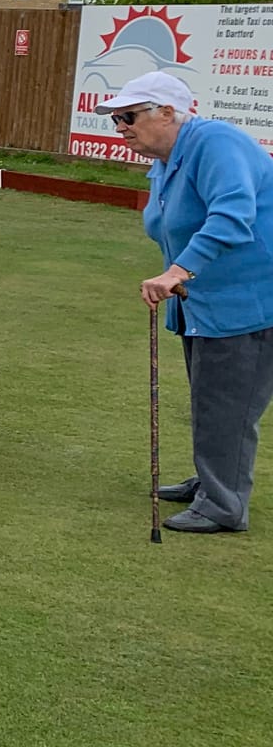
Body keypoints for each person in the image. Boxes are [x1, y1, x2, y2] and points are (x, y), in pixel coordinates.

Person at [106, 71, 273, 533]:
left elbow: (233, 215)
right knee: (213, 399)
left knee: (229, 405)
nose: (120, 126)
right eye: (116, 118)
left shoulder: (216, 143)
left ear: (167, 113)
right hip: (207, 302)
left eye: (129, 116)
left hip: (250, 301)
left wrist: (178, 271)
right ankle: (212, 482)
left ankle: (224, 505)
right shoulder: (167, 161)